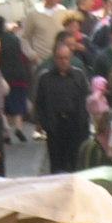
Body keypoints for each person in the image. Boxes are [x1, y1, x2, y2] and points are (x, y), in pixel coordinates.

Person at [32, 42, 91, 172]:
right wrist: (43, 123)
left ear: (70, 58)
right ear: (54, 58)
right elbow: (40, 102)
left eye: (66, 58)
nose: (63, 61)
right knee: (57, 164)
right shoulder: (45, 78)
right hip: (55, 127)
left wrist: (83, 121)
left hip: (75, 127)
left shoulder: (78, 76)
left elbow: (86, 100)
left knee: (74, 163)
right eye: (60, 58)